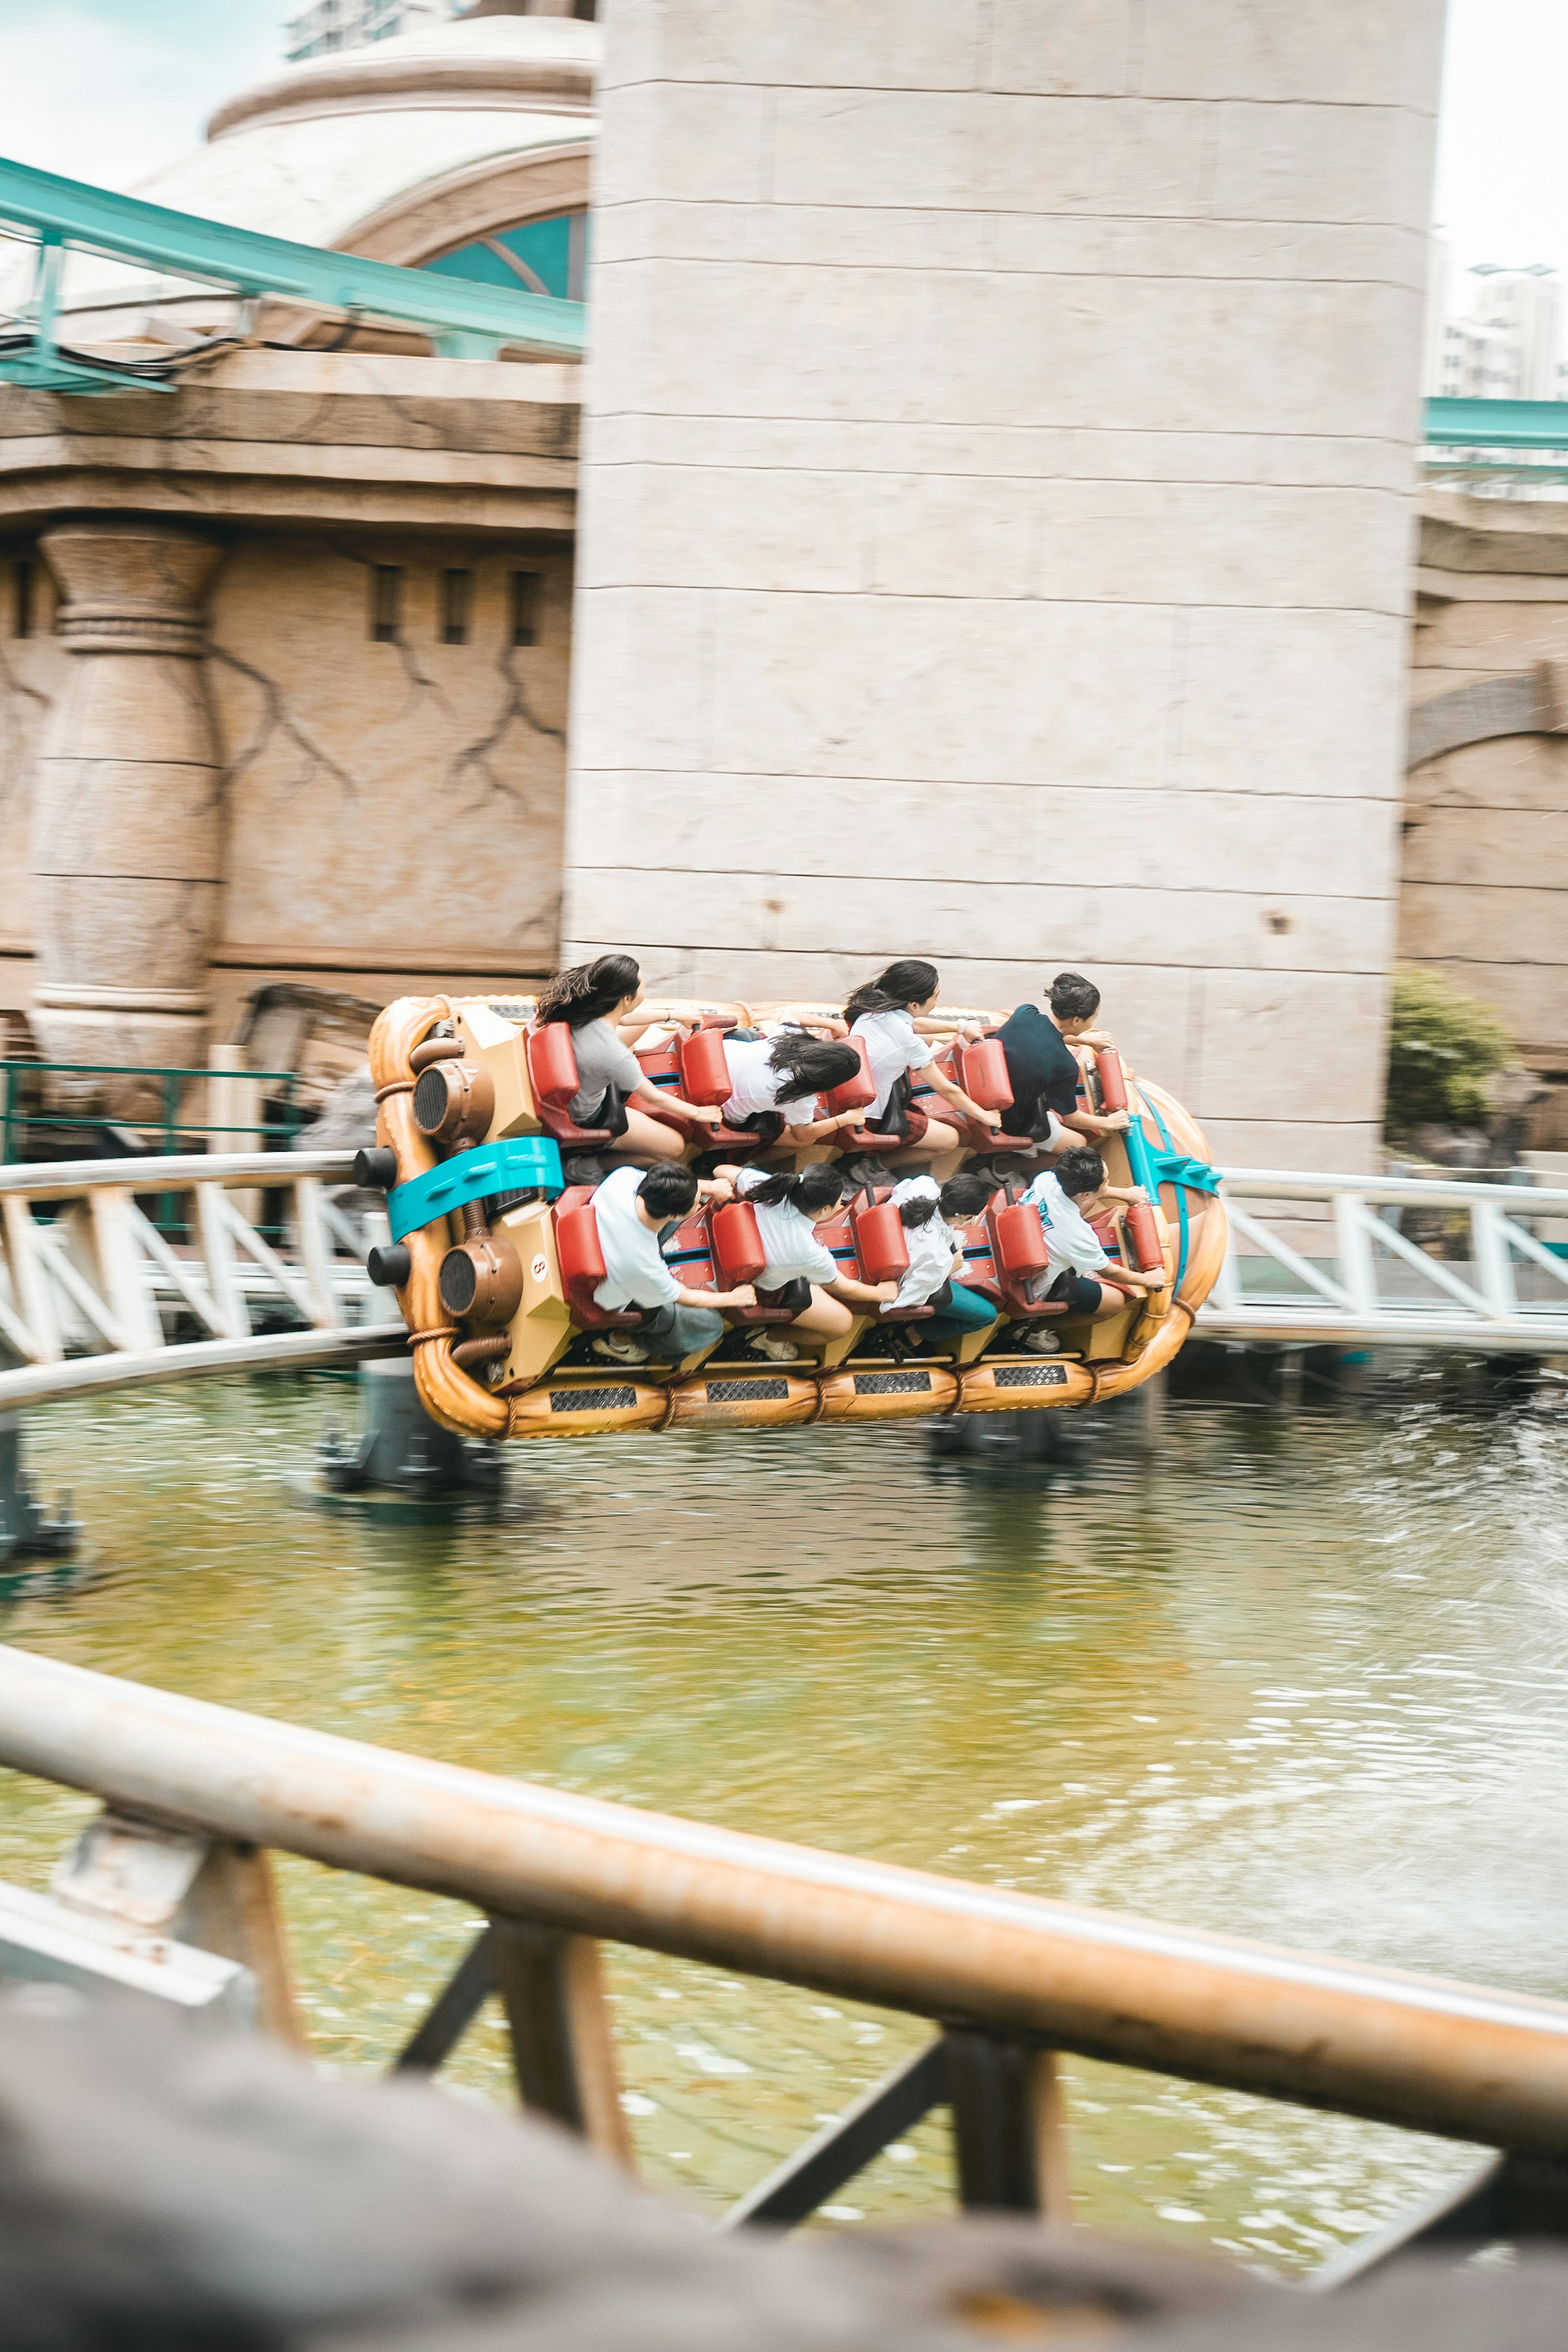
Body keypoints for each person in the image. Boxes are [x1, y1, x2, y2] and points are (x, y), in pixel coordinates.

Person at [535, 955, 723, 1176]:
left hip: (583, 1068)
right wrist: (700, 1113)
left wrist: (674, 1015)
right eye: (642, 984)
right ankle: (583, 1169)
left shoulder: (586, 1005)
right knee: (675, 1148)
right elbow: (655, 1097)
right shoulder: (618, 1056)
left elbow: (626, 1019)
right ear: (626, 998)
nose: (645, 986)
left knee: (644, 1023)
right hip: (588, 1113)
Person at [715, 1162, 899, 1363]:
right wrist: (882, 1293)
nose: (841, 1206)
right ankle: (765, 1337)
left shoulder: (770, 1187)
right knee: (841, 1325)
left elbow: (720, 1171)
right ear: (824, 1209)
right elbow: (843, 1287)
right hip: (756, 1287)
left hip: (723, 1243)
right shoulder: (810, 1253)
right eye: (839, 1203)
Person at [842, 960, 1002, 1179]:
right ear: (914, 1005)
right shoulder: (909, 1042)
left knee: (927, 1040)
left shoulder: (874, 1008)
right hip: (873, 1114)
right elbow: (947, 1090)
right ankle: (871, 1168)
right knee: (950, 1140)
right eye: (935, 996)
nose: (937, 1001)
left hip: (861, 1084)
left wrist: (960, 1027)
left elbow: (912, 1025)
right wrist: (984, 1116)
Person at [585, 1161, 754, 1367]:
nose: (700, 1205)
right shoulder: (646, 1266)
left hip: (602, 1236)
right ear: (673, 1216)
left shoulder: (623, 1177)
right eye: (696, 1203)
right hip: (617, 1296)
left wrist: (709, 1187)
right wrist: (733, 1298)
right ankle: (622, 1341)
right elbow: (686, 1297)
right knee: (711, 1328)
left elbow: (664, 1185)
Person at [1015, 1146, 1164, 1352]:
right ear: (1085, 1193)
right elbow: (1110, 1271)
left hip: (1023, 1237)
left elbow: (1088, 1197)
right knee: (1115, 1303)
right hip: (1033, 1284)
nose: (1109, 1184)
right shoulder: (1079, 1237)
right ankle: (1029, 1329)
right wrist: (1148, 1279)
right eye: (1107, 1182)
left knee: (1085, 1207)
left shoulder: (1047, 1179)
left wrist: (1126, 1194)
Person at [993, 971, 1128, 1153]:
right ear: (1078, 1020)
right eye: (1093, 1018)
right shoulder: (1065, 1065)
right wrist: (1109, 1122)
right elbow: (1071, 1117)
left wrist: (1087, 1041)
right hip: (1008, 1121)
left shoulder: (1025, 1012)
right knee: (1078, 1143)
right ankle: (1000, 1170)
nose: (1092, 1025)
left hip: (993, 1086)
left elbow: (1043, 1037)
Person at [881, 1171, 1000, 1354]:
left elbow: (899, 1189)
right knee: (987, 1316)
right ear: (965, 1217)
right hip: (896, 1279)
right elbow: (911, 1300)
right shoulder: (938, 1259)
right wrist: (949, 1268)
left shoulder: (924, 1184)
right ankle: (909, 1335)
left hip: (884, 1243)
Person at [716, 1029, 868, 1151]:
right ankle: (747, 1161)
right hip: (724, 1110)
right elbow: (804, 1135)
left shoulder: (789, 1036)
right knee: (803, 1142)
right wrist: (847, 1119)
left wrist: (831, 1024)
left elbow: (788, 1016)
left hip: (716, 1060)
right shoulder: (800, 1099)